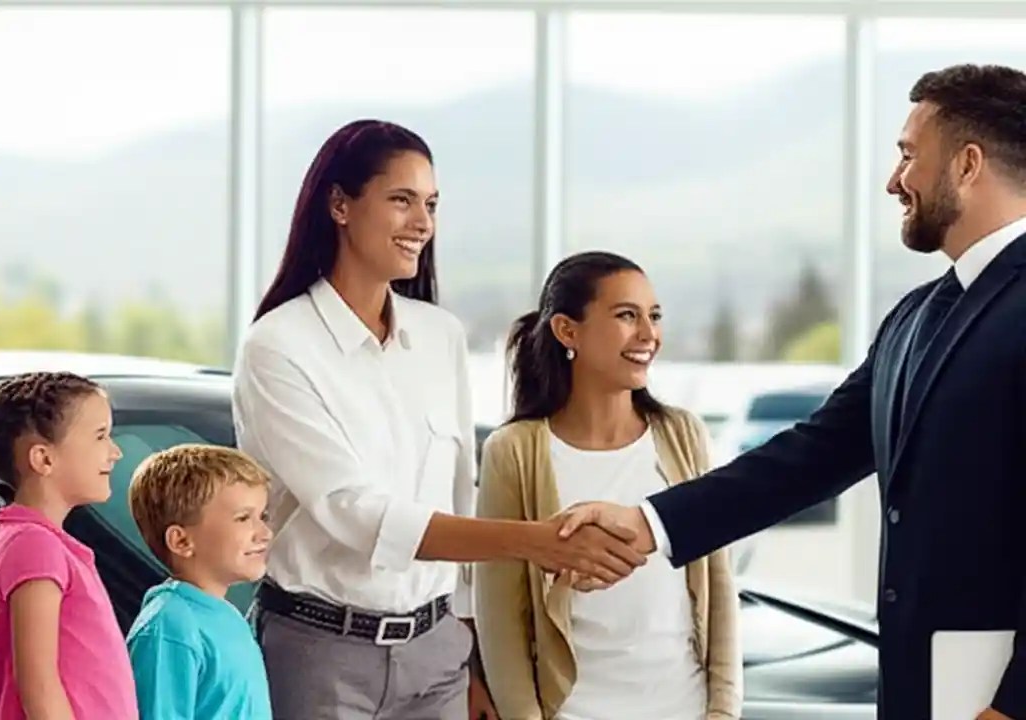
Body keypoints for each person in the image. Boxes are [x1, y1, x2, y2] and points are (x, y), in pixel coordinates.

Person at [558, 64, 1026, 720]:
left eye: (908, 155)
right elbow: (810, 458)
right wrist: (649, 524)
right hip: (919, 693)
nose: (895, 181)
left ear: (968, 164)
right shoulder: (914, 317)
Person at [232, 118, 644, 720]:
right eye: (402, 201)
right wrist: (535, 542)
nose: (423, 224)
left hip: (437, 658)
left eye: (430, 204)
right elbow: (356, 513)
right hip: (321, 656)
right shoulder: (278, 347)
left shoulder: (439, 336)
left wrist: (472, 654)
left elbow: (460, 493)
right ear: (339, 204)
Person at [475, 251, 741, 720]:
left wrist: (723, 711)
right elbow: (499, 617)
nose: (648, 335)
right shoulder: (515, 451)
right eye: (626, 316)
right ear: (567, 331)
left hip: (685, 708)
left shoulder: (683, 436)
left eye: (654, 316)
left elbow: (719, 588)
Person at [0, 372, 137, 720]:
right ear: (43, 459)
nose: (115, 452)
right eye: (100, 436)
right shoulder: (34, 547)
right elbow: (39, 688)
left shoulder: (43, 544)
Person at [125, 444, 274, 719]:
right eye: (243, 518)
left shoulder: (224, 614)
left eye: (262, 516)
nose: (264, 533)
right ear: (181, 541)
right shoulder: (170, 625)